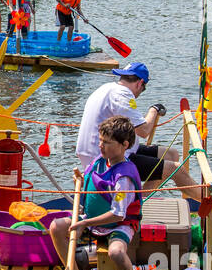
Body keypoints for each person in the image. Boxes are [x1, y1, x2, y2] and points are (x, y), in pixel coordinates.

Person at [53, 116, 157, 270]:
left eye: (107, 143)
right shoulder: (100, 161)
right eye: (100, 140)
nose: (101, 146)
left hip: (119, 225)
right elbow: (89, 183)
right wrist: (80, 179)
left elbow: (118, 214)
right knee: (56, 227)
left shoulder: (123, 176)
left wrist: (84, 223)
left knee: (116, 252)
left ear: (124, 145)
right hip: (92, 220)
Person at [75, 61, 196, 194]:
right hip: (105, 155)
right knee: (175, 169)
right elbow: (143, 131)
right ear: (140, 83)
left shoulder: (107, 88)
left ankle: (140, 199)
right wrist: (153, 110)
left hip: (104, 148)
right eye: (143, 89)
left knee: (171, 154)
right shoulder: (122, 95)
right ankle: (209, 202)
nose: (140, 93)